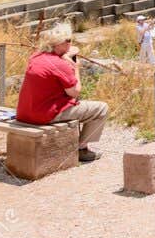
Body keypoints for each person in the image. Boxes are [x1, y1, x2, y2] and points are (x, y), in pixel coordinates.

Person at [16, 24, 108, 163]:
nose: (71, 43)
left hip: (24, 112)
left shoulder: (36, 57)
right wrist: (76, 68)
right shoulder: (59, 64)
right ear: (60, 43)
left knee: (74, 105)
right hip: (43, 115)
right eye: (69, 40)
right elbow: (74, 92)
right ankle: (81, 149)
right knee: (101, 108)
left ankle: (79, 145)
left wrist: (66, 54)